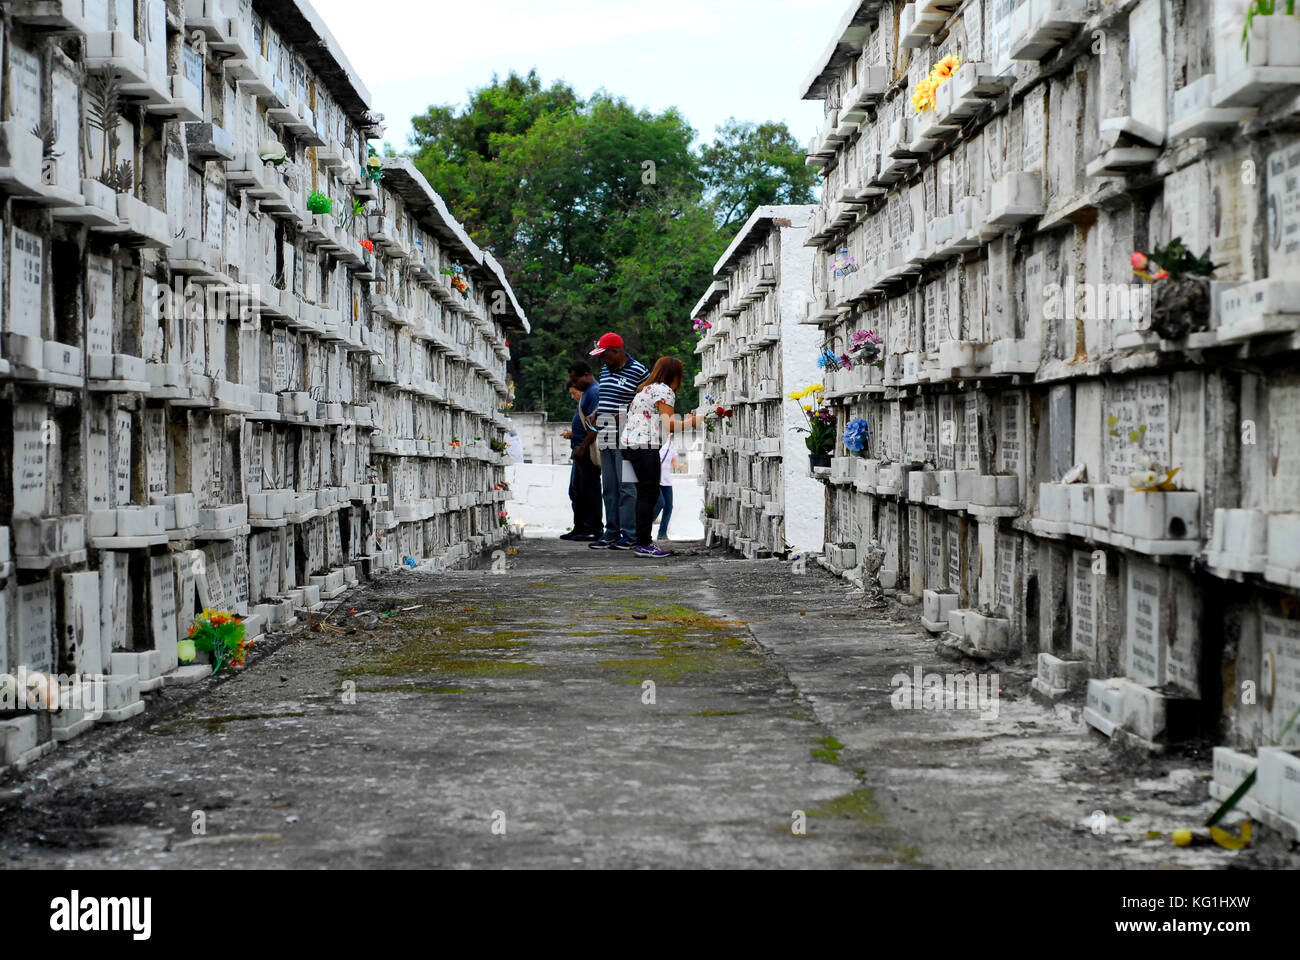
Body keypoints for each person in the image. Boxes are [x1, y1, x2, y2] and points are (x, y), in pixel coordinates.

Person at [619, 356, 701, 558]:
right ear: (674, 375)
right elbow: (670, 425)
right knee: (650, 494)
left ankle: (640, 542)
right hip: (645, 448)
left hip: (627, 446)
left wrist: (687, 421)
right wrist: (695, 422)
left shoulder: (644, 390)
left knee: (641, 494)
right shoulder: (664, 391)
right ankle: (644, 544)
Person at [587, 333, 648, 551]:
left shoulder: (639, 371)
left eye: (605, 355)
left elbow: (644, 403)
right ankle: (610, 532)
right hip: (605, 435)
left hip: (627, 437)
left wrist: (621, 416)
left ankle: (629, 535)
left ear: (616, 351)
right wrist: (596, 412)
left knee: (627, 487)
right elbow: (606, 397)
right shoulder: (605, 370)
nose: (603, 360)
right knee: (609, 487)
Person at [559, 364, 602, 541]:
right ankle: (580, 526)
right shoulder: (589, 392)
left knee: (589, 489)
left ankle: (593, 528)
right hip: (578, 447)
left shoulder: (594, 392)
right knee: (576, 490)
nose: (574, 383)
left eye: (576, 379)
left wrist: (583, 446)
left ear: (587, 374)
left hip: (585, 448)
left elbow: (595, 424)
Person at [651, 439, 676, 541]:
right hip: (655, 479)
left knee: (669, 506)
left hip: (666, 480)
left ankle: (662, 533)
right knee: (660, 503)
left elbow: (674, 461)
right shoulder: (653, 442)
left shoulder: (671, 444)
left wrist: (678, 466)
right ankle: (643, 525)